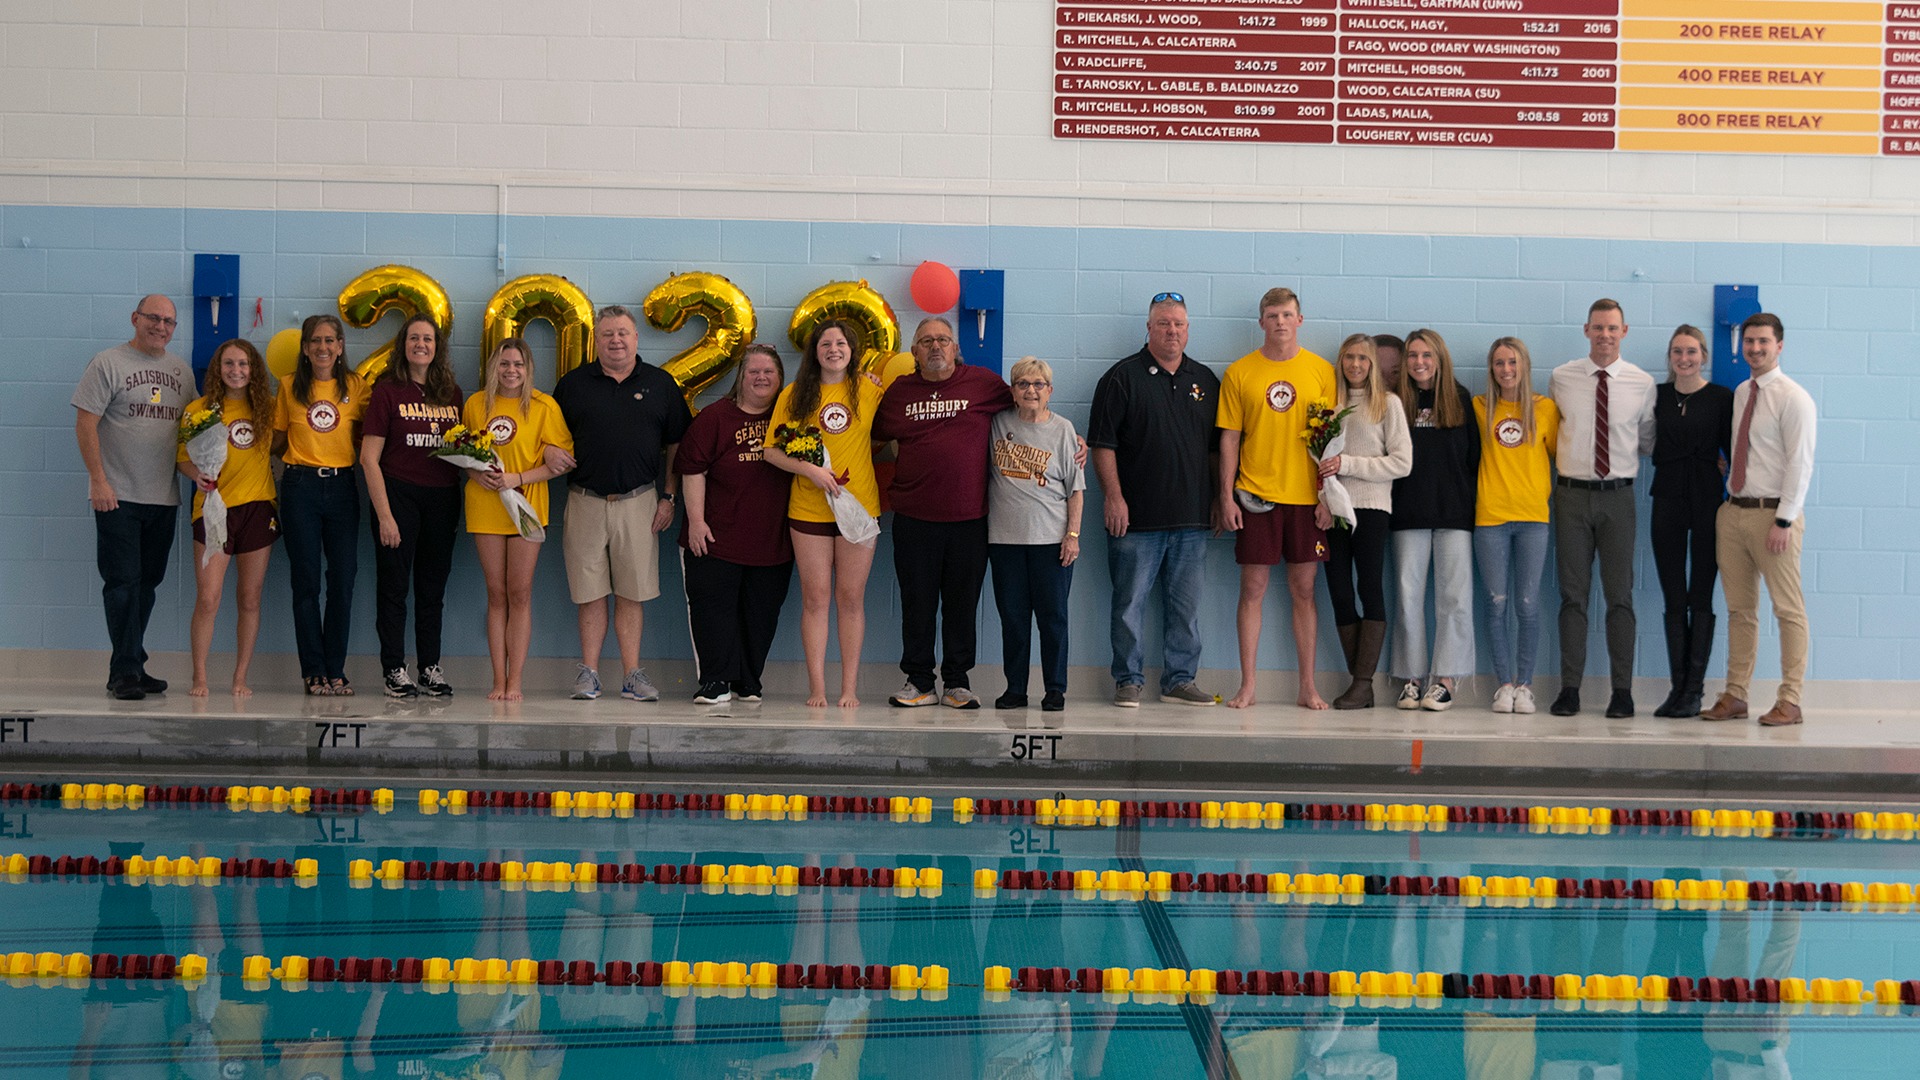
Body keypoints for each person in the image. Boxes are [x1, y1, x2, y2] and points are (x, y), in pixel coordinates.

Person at [552, 305, 692, 702]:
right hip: (584, 500)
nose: (616, 340)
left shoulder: (661, 384)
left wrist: (669, 496)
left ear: (635, 338)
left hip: (640, 502)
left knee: (632, 592)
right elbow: (551, 434)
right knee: (589, 592)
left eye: (623, 333)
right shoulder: (573, 384)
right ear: (596, 340)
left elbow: (677, 444)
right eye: (608, 334)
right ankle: (590, 674)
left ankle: (632, 675)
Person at [1088, 292, 1221, 708]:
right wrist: (1114, 498)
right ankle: (1128, 679)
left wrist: (1218, 498)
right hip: (1135, 522)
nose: (1172, 331)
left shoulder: (1205, 380)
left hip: (1191, 521)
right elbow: (1102, 446)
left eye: (1179, 324)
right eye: (1164, 323)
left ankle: (1180, 680)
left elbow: (1218, 450)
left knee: (1186, 609)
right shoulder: (1121, 378)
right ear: (1149, 328)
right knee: (1129, 605)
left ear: (1188, 329)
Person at [872, 318, 1013, 710]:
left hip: (969, 519)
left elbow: (1028, 410)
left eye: (943, 340)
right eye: (926, 341)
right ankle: (918, 681)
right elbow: (870, 437)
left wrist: (1072, 439)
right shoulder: (899, 392)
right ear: (914, 352)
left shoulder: (983, 383)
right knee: (917, 604)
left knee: (961, 605)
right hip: (914, 519)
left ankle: (956, 682)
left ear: (955, 349)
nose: (936, 347)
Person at [1216, 287, 1338, 710]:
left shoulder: (1322, 371)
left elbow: (1330, 441)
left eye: (1287, 314)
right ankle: (1248, 685)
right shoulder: (1240, 373)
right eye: (1272, 315)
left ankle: (1308, 686)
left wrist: (1328, 498)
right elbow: (1229, 439)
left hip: (1307, 499)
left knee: (1304, 590)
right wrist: (1226, 496)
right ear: (1262, 322)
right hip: (1256, 496)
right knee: (1253, 588)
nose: (1281, 322)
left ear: (1299, 320)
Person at [72, 295, 194, 700]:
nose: (161, 326)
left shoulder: (181, 371)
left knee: (147, 583)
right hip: (117, 494)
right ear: (135, 319)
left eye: (169, 321)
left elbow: (192, 430)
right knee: (122, 582)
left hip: (163, 496)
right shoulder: (108, 362)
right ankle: (125, 670)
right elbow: (86, 423)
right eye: (154, 318)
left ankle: (130, 665)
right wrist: (98, 480)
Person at [1701, 313, 1815, 727]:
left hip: (1773, 517)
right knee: (1739, 610)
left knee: (1788, 609)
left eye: (1763, 342)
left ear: (1779, 346)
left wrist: (1784, 521)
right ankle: (1736, 694)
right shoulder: (1741, 392)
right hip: (1734, 512)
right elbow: (1748, 447)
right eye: (1749, 341)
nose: (1755, 349)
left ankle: (1791, 699)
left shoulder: (1793, 397)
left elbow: (1800, 464)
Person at [763, 321, 882, 708]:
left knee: (851, 599)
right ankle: (817, 688)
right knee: (815, 599)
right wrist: (810, 470)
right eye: (826, 343)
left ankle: (849, 688)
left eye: (841, 343)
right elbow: (771, 451)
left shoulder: (869, 389)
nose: (834, 349)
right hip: (809, 509)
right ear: (814, 351)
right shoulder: (794, 395)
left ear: (853, 350)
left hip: (858, 509)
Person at [1548, 299, 1657, 718]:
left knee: (1620, 597)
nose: (1605, 335)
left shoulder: (1641, 383)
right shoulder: (1563, 378)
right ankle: (1570, 689)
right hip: (1571, 495)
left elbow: (1646, 440)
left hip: (1619, 498)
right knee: (1572, 596)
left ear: (1624, 331)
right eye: (1598, 328)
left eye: (1612, 328)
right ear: (1586, 330)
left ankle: (1622, 691)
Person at [674, 344, 794, 705]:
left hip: (772, 541)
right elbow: (693, 469)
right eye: (753, 372)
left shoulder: (792, 419)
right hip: (715, 537)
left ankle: (747, 680)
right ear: (740, 378)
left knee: (761, 615)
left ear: (780, 379)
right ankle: (715, 680)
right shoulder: (715, 418)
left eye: (768, 372)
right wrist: (696, 520)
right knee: (714, 611)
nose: (760, 378)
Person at [460, 337, 574, 701]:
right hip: (485, 506)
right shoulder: (476, 404)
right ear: (494, 367)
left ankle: (516, 682)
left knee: (520, 593)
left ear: (529, 369)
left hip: (526, 508)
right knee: (496, 594)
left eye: (518, 365)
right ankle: (497, 680)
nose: (511, 371)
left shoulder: (544, 407)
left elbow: (560, 464)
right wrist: (477, 475)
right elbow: (464, 456)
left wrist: (518, 479)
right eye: (505, 364)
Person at [361, 314, 463, 698]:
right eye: (414, 338)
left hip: (442, 498)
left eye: (429, 339)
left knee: (432, 589)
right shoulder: (387, 391)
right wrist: (385, 516)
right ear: (403, 345)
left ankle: (430, 668)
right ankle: (394, 669)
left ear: (438, 348)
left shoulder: (451, 393)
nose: (421, 344)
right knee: (394, 587)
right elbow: (369, 459)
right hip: (397, 496)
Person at [176, 339, 278, 697]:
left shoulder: (267, 408)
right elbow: (182, 458)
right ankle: (199, 677)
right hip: (213, 509)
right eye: (229, 364)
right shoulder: (199, 410)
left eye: (244, 364)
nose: (237, 371)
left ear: (255, 370)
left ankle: (240, 678)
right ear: (218, 369)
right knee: (209, 597)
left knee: (250, 597)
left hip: (258, 507)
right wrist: (195, 475)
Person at [271, 314, 366, 696]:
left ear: (341, 346)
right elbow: (277, 443)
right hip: (300, 488)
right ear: (305, 349)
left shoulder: (357, 388)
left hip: (343, 487)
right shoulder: (289, 386)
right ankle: (313, 671)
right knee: (306, 581)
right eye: (315, 341)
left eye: (330, 340)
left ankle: (335, 669)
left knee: (342, 581)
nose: (323, 347)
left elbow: (367, 441)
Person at [986, 357, 1085, 712]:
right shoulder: (996, 424)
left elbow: (1076, 490)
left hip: (1051, 542)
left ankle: (1055, 689)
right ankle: (1015, 688)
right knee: (1013, 619)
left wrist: (1072, 535)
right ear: (1013, 391)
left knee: (1053, 619)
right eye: (1023, 384)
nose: (1031, 390)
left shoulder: (1063, 430)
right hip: (1004, 541)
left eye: (1038, 384)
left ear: (1049, 391)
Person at [1389, 329, 1479, 711]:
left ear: (1440, 358)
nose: (1419, 362)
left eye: (1427, 355)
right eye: (1412, 355)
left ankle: (1446, 678)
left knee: (1454, 598)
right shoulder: (1396, 403)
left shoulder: (1460, 400)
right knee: (1408, 597)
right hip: (1408, 512)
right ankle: (1411, 678)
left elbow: (1473, 459)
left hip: (1454, 514)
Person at [1322, 334, 1412, 709]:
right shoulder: (1331, 403)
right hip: (1333, 511)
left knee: (1369, 588)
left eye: (1362, 358)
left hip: (1372, 509)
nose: (1355, 365)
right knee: (1340, 592)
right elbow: (1318, 459)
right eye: (1349, 358)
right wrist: (1322, 498)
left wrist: (1350, 465)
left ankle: (1362, 683)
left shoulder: (1387, 404)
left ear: (1373, 363)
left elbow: (1402, 463)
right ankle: (1359, 686)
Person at [1473, 337, 1560, 715]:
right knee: (1495, 605)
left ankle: (1525, 686)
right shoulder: (1479, 407)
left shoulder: (1546, 408)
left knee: (1527, 605)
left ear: (1524, 366)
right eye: (1498, 364)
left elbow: (1562, 456)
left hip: (1533, 519)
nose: (1506, 370)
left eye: (1512, 363)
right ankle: (1503, 684)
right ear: (1491, 370)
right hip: (1490, 518)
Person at [1650, 325, 1733, 718]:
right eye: (1678, 352)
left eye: (1692, 352)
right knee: (1672, 595)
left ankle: (1695, 691)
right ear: (1670, 357)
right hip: (1666, 498)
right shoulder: (1659, 395)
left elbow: (1737, 449)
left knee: (1700, 594)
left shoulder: (1721, 398)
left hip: (1706, 500)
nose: (1685, 359)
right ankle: (1676, 687)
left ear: (1704, 356)